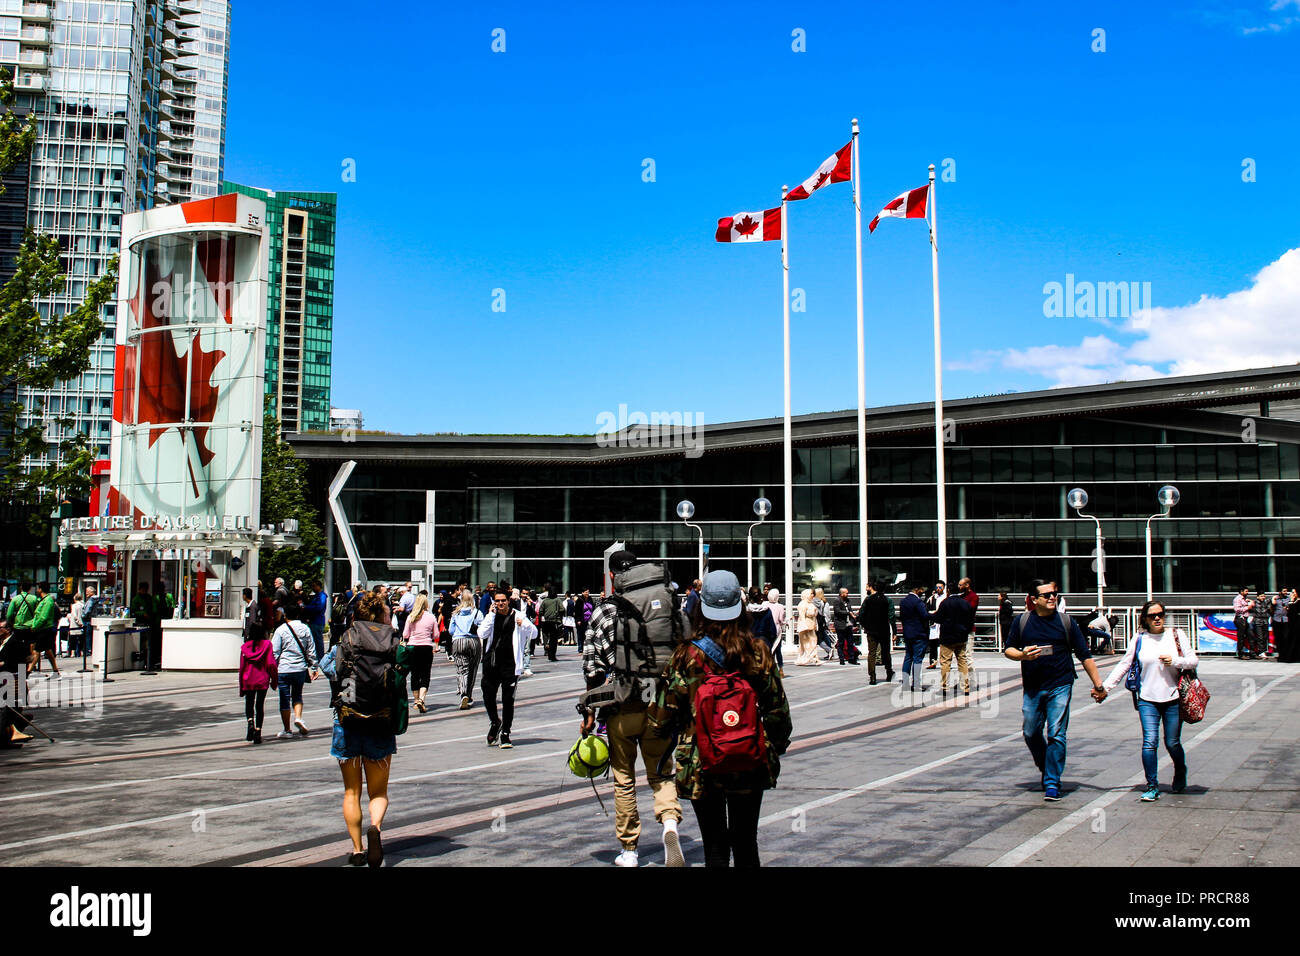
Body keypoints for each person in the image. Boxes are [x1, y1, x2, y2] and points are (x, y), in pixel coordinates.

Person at [649, 570, 792, 868]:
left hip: (701, 760)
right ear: (739, 608)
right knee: (745, 840)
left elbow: (661, 714)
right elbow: (778, 711)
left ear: (702, 607)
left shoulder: (685, 655)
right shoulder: (758, 652)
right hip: (749, 758)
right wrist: (772, 746)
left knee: (714, 845)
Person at [580, 549, 687, 867]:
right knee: (662, 773)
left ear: (613, 576)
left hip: (621, 708)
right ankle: (669, 822)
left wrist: (589, 713)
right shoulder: (663, 602)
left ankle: (629, 850)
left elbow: (592, 668)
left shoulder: (603, 612)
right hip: (659, 705)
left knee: (624, 779)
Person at [1003, 579, 1108, 801]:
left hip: (1061, 684)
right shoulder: (1022, 622)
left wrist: (1099, 685)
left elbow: (1084, 655)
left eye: (1054, 594)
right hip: (1033, 687)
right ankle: (1046, 766)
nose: (1052, 597)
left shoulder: (1066, 622)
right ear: (1033, 599)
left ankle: (1052, 782)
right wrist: (1022, 655)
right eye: (1046, 595)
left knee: (1056, 733)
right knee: (1031, 732)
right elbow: (1009, 649)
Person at [319, 591, 400, 867]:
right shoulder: (391, 640)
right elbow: (401, 674)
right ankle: (375, 826)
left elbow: (329, 667)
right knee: (378, 793)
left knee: (351, 791)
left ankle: (356, 849)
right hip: (380, 721)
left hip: (348, 720)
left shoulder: (348, 638)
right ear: (381, 614)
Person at [1097, 600, 1195, 801]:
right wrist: (1105, 688)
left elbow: (1193, 660)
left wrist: (1175, 661)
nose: (1157, 618)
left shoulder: (1176, 635)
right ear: (1145, 619)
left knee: (1172, 742)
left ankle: (1180, 769)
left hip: (1173, 698)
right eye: (1152, 616)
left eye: (1160, 614)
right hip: (1147, 699)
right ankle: (1152, 785)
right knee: (1150, 743)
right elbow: (1124, 664)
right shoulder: (1140, 638)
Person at [478, 589, 537, 749]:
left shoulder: (518, 616)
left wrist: (523, 624)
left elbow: (534, 633)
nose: (500, 604)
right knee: (488, 695)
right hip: (492, 663)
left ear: (508, 601)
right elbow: (481, 633)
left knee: (508, 700)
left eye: (503, 600)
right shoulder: (491, 616)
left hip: (510, 665)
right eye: (497, 601)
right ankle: (495, 721)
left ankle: (505, 733)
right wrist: (490, 617)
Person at [271, 605, 319, 738]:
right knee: (298, 695)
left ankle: (287, 730)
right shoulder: (305, 628)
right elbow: (311, 649)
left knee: (284, 699)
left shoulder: (280, 630)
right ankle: (298, 717)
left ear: (285, 615)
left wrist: (272, 672)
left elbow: (275, 652)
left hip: (284, 669)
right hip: (300, 668)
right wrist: (314, 667)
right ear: (298, 615)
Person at [238, 621, 277, 744]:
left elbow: (242, 667)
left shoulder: (245, 647)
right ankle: (258, 731)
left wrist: (241, 686)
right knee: (260, 705)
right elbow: (271, 664)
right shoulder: (267, 645)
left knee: (249, 703)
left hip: (248, 679)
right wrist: (274, 680)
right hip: (262, 679)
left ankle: (250, 722)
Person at [933, 583, 974, 696]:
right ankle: (965, 687)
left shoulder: (945, 603)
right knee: (962, 661)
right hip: (961, 636)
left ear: (948, 591)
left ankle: (944, 687)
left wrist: (930, 615)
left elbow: (938, 618)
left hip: (947, 637)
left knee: (946, 662)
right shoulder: (965, 603)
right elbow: (970, 620)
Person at [402, 593, 438, 713]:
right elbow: (436, 634)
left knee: (415, 674)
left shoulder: (411, 616)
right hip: (426, 647)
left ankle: (416, 700)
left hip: (412, 647)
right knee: (425, 673)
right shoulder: (431, 617)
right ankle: (422, 699)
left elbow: (405, 635)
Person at [858, 581, 894, 685]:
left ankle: (872, 676)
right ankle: (888, 671)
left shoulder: (868, 600)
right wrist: (894, 631)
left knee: (872, 653)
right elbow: (891, 616)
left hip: (871, 630)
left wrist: (865, 625)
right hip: (884, 630)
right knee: (886, 652)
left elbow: (861, 614)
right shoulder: (888, 600)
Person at [900, 583, 931, 691]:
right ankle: (916, 684)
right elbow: (925, 616)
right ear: (917, 589)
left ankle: (905, 682)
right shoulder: (918, 602)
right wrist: (934, 614)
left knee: (908, 657)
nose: (923, 592)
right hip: (919, 633)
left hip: (908, 633)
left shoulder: (903, 601)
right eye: (922, 589)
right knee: (917, 659)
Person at [27, 582, 61, 678]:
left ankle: (28, 671)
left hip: (44, 629)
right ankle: (55, 671)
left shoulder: (47, 601)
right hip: (44, 628)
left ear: (41, 589)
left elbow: (43, 617)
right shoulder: (43, 600)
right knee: (47, 650)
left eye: (38, 588)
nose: (37, 590)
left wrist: (34, 627)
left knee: (37, 650)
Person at [826, 587, 861, 665]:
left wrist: (853, 614)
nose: (847, 594)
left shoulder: (848, 601)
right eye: (846, 593)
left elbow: (850, 609)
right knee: (841, 642)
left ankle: (851, 658)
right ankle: (841, 658)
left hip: (848, 624)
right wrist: (848, 613)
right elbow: (837, 611)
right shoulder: (837, 600)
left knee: (850, 642)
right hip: (840, 624)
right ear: (841, 594)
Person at [794, 589, 821, 666]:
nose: (813, 595)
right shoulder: (802, 604)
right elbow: (802, 616)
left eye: (813, 594)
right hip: (805, 627)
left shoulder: (811, 604)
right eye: (811, 594)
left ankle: (814, 658)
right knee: (806, 643)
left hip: (811, 626)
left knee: (813, 641)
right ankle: (807, 657)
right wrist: (804, 626)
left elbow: (815, 615)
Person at [763, 587, 786, 677]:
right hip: (776, 629)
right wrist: (786, 622)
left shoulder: (765, 605)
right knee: (778, 650)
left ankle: (768, 668)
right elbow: (781, 619)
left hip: (766, 629)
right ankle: (781, 669)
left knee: (768, 649)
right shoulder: (780, 606)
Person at [305, 581, 328, 659]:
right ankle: (316, 657)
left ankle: (320, 657)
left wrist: (306, 608)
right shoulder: (317, 596)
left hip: (317, 621)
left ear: (319, 586)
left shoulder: (322, 596)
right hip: (314, 621)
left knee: (318, 641)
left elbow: (319, 607)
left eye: (314, 586)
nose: (313, 588)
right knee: (314, 640)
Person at [540, 586, 564, 661]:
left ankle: (546, 649)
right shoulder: (557, 600)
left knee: (546, 636)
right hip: (555, 622)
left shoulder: (545, 601)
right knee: (553, 639)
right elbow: (562, 609)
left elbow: (540, 611)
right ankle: (552, 655)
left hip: (546, 622)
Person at [925, 581, 946, 668]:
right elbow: (926, 608)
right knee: (933, 643)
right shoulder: (932, 598)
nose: (938, 589)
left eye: (940, 587)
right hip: (934, 623)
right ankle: (932, 661)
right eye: (937, 587)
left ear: (943, 588)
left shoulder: (946, 597)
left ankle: (944, 661)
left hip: (943, 623)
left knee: (944, 643)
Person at [1232, 587, 1254, 659]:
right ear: (1241, 592)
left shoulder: (1244, 599)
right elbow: (1237, 609)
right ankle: (1241, 654)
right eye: (1246, 591)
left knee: (1250, 635)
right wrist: (1248, 608)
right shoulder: (1237, 599)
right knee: (1241, 637)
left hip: (1245, 619)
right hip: (1240, 619)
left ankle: (1252, 652)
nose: (1247, 593)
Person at [1253, 589, 1273, 658]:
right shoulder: (1255, 602)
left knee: (1265, 637)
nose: (1263, 597)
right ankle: (1261, 651)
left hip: (1265, 622)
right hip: (1258, 622)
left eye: (1264, 596)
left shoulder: (1266, 602)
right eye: (1261, 596)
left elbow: (1273, 598)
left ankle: (1264, 651)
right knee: (1260, 637)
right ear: (1257, 597)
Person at [1272, 589, 1289, 663]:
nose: (1285, 592)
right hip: (1277, 619)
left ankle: (1285, 654)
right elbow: (1272, 606)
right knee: (1278, 638)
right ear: (1280, 592)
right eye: (1284, 591)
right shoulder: (1276, 598)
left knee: (1285, 637)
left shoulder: (1288, 599)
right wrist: (1273, 600)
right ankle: (1280, 654)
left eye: (1286, 591)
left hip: (1285, 620)